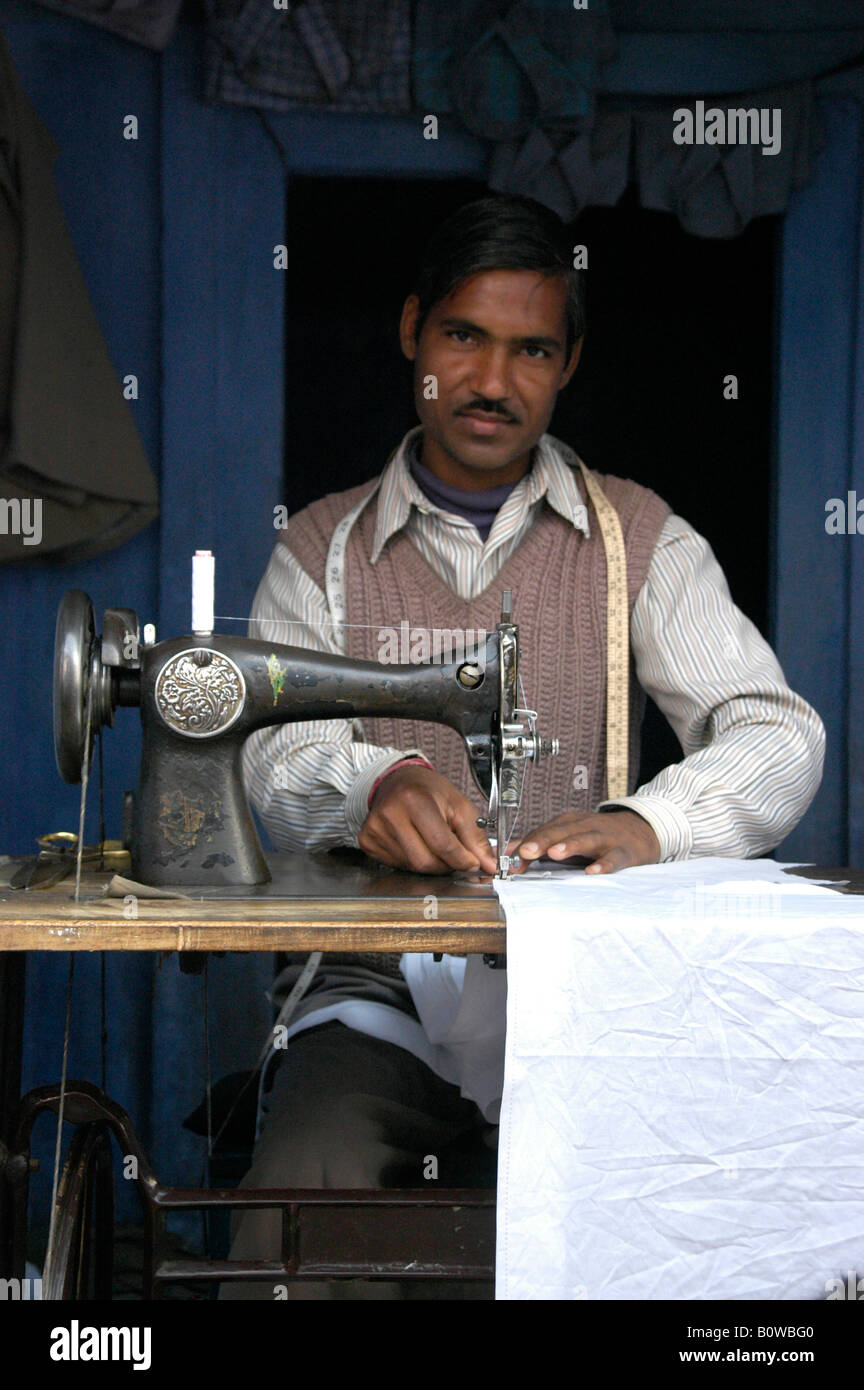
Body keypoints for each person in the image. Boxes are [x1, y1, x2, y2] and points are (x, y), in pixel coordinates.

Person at [219, 195, 825, 1299]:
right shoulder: (320, 550)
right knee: (304, 1201)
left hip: (588, 993)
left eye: (532, 349)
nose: (494, 381)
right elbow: (272, 752)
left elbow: (775, 733)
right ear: (412, 333)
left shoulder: (642, 539)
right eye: (464, 338)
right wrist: (374, 784)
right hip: (379, 994)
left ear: (570, 362)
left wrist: (651, 821)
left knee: (699, 1222)